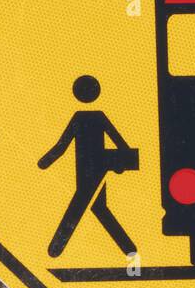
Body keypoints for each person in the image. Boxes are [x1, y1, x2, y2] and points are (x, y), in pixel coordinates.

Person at [38, 75, 139, 258]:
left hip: (92, 168)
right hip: (93, 167)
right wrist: (44, 162)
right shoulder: (96, 117)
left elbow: (62, 146)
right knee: (99, 208)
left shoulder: (83, 117)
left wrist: (45, 162)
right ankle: (129, 249)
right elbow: (119, 141)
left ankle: (55, 249)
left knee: (80, 205)